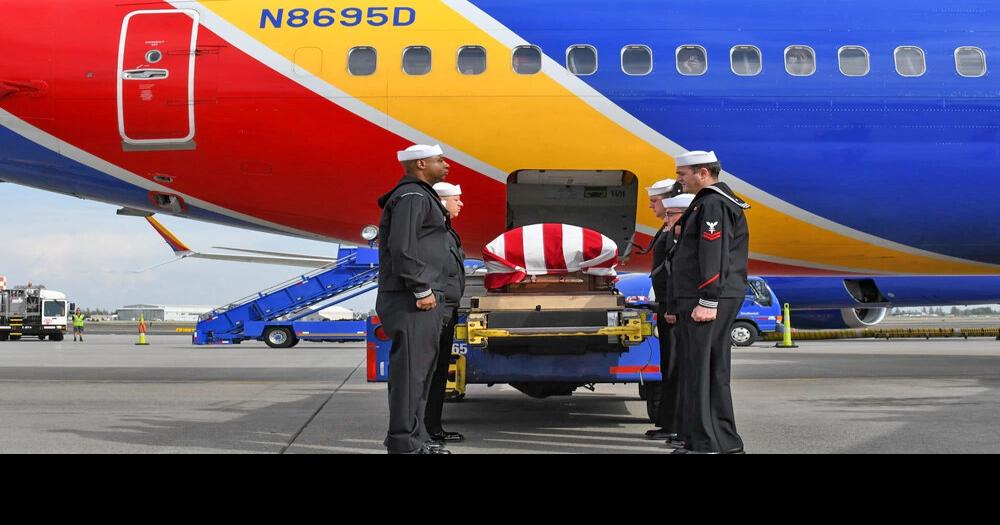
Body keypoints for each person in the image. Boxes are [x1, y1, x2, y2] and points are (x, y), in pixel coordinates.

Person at [670, 151, 750, 455]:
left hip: (709, 298)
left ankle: (710, 443)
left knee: (704, 371)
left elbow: (712, 254)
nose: (679, 179)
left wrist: (707, 299)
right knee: (701, 369)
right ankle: (704, 439)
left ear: (703, 172)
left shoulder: (713, 203)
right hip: (708, 297)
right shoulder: (711, 201)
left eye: (682, 173)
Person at [376, 144, 454, 455]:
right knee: (410, 374)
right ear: (421, 164)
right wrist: (421, 289)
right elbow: (403, 248)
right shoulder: (412, 197)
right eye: (439, 160)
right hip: (411, 299)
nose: (446, 165)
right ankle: (404, 445)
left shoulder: (420, 195)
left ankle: (415, 438)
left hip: (419, 297)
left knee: (420, 373)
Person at [645, 192, 695, 449]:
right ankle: (670, 422)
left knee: (677, 367)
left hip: (674, 307)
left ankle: (678, 425)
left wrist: (672, 306)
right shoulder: (668, 230)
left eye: (667, 211)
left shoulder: (680, 233)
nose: (659, 210)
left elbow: (676, 273)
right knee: (669, 366)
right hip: (667, 304)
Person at [425, 181, 466, 445]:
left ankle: (433, 428)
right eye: (456, 199)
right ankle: (423, 431)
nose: (460, 203)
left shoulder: (446, 231)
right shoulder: (430, 231)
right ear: (441, 202)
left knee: (439, 372)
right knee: (427, 373)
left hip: (447, 309)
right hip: (434, 310)